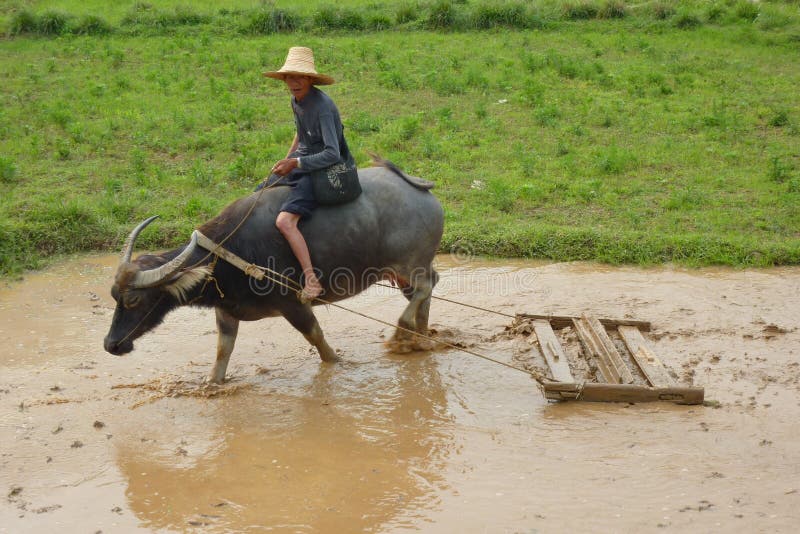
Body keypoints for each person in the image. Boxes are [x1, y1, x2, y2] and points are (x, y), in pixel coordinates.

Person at [261, 46, 350, 302]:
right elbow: (300, 133)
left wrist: (296, 163)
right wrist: (287, 159)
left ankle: (312, 281)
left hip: (325, 168)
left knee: (284, 221)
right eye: (290, 77)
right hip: (303, 161)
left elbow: (333, 153)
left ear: (310, 79)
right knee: (261, 192)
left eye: (300, 77)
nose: (294, 82)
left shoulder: (322, 107)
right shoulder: (295, 99)